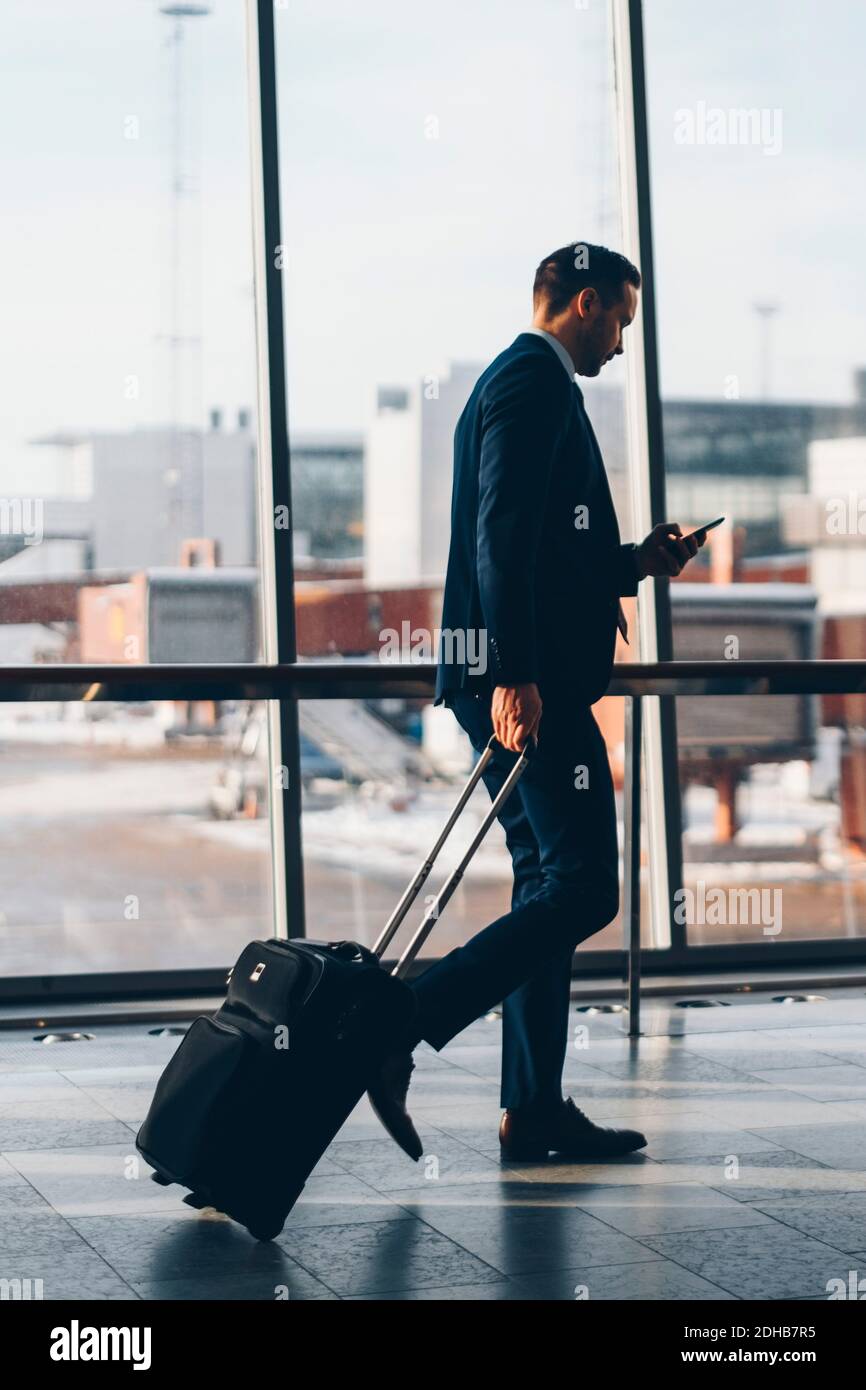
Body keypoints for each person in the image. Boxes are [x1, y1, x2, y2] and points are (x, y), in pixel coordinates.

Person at [367, 242, 706, 1162]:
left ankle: (531, 1109)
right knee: (589, 884)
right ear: (587, 303)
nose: (624, 345)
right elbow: (500, 530)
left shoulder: (520, 382)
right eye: (623, 323)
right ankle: (399, 1025)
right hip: (528, 688)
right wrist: (514, 673)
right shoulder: (534, 380)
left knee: (548, 883)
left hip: (522, 680)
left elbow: (547, 545)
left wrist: (638, 560)